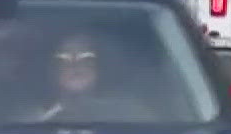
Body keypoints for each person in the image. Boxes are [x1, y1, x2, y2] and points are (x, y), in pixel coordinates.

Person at [13, 29, 160, 124]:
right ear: (52, 70)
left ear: (101, 66)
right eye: (64, 60)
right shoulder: (30, 120)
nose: (75, 66)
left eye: (86, 59)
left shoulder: (131, 113)